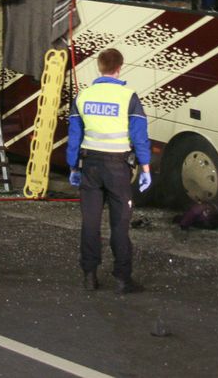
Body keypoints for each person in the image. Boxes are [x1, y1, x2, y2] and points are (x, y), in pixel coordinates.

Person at [66, 47, 151, 294]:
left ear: (100, 67)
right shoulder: (128, 96)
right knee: (120, 224)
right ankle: (123, 278)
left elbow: (74, 136)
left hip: (90, 166)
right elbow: (139, 136)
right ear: (119, 67)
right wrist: (145, 168)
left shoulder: (83, 96)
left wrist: (73, 166)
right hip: (118, 168)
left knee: (90, 223)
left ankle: (89, 276)